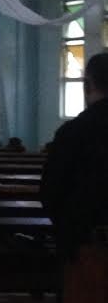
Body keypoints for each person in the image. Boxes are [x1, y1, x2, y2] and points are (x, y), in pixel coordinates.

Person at [42, 53, 108, 261]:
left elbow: (50, 191)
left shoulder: (71, 132)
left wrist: (71, 229)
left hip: (82, 246)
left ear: (87, 85)